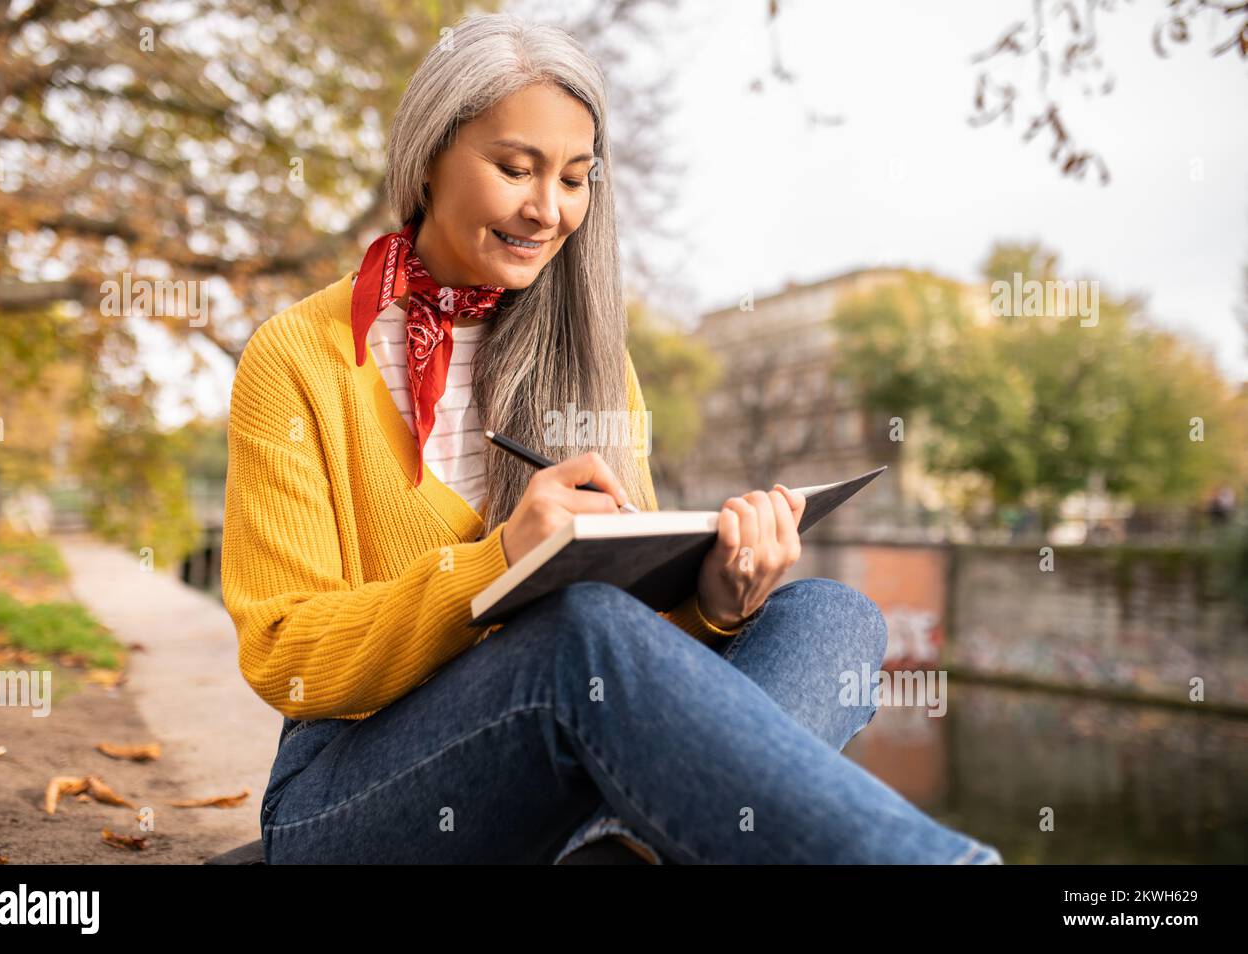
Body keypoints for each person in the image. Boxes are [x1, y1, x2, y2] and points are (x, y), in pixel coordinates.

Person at [221, 12, 1002, 865]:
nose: (546, 210)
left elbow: (641, 650)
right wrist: (499, 562)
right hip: (352, 793)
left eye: (574, 178)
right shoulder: (297, 357)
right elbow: (283, 654)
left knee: (831, 616)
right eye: (514, 168)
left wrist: (715, 601)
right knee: (578, 629)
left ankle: (616, 850)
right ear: (428, 157)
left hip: (557, 776)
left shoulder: (593, 356)